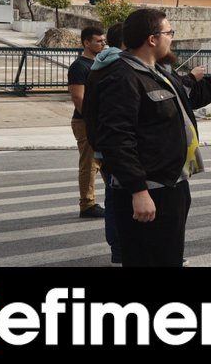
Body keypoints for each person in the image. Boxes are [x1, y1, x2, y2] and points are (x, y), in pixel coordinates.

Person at [94, 9, 211, 267]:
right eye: (169, 33)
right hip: (150, 190)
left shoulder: (158, 72)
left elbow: (197, 93)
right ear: (152, 38)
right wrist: (138, 190)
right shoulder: (123, 77)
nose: (171, 38)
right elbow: (117, 139)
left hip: (171, 185)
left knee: (168, 258)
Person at [83, 23, 125, 263]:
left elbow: (91, 110)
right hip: (116, 147)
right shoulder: (121, 68)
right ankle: (122, 250)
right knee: (121, 199)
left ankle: (118, 250)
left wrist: (98, 147)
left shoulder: (99, 66)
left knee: (113, 198)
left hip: (103, 144)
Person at [68, 26, 107, 218]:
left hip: (100, 121)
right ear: (86, 43)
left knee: (105, 161)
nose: (103, 43)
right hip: (85, 122)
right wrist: (93, 120)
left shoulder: (100, 64)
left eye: (104, 40)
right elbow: (78, 97)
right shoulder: (79, 66)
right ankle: (87, 203)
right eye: (99, 41)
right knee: (90, 163)